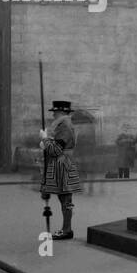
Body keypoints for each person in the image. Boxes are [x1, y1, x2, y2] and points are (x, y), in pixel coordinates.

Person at [40, 100, 81, 240]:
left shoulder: (64, 126)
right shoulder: (63, 125)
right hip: (63, 163)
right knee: (64, 198)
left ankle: (67, 230)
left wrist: (45, 140)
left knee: (65, 199)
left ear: (62, 112)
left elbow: (56, 150)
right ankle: (66, 228)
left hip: (62, 163)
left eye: (55, 112)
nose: (53, 115)